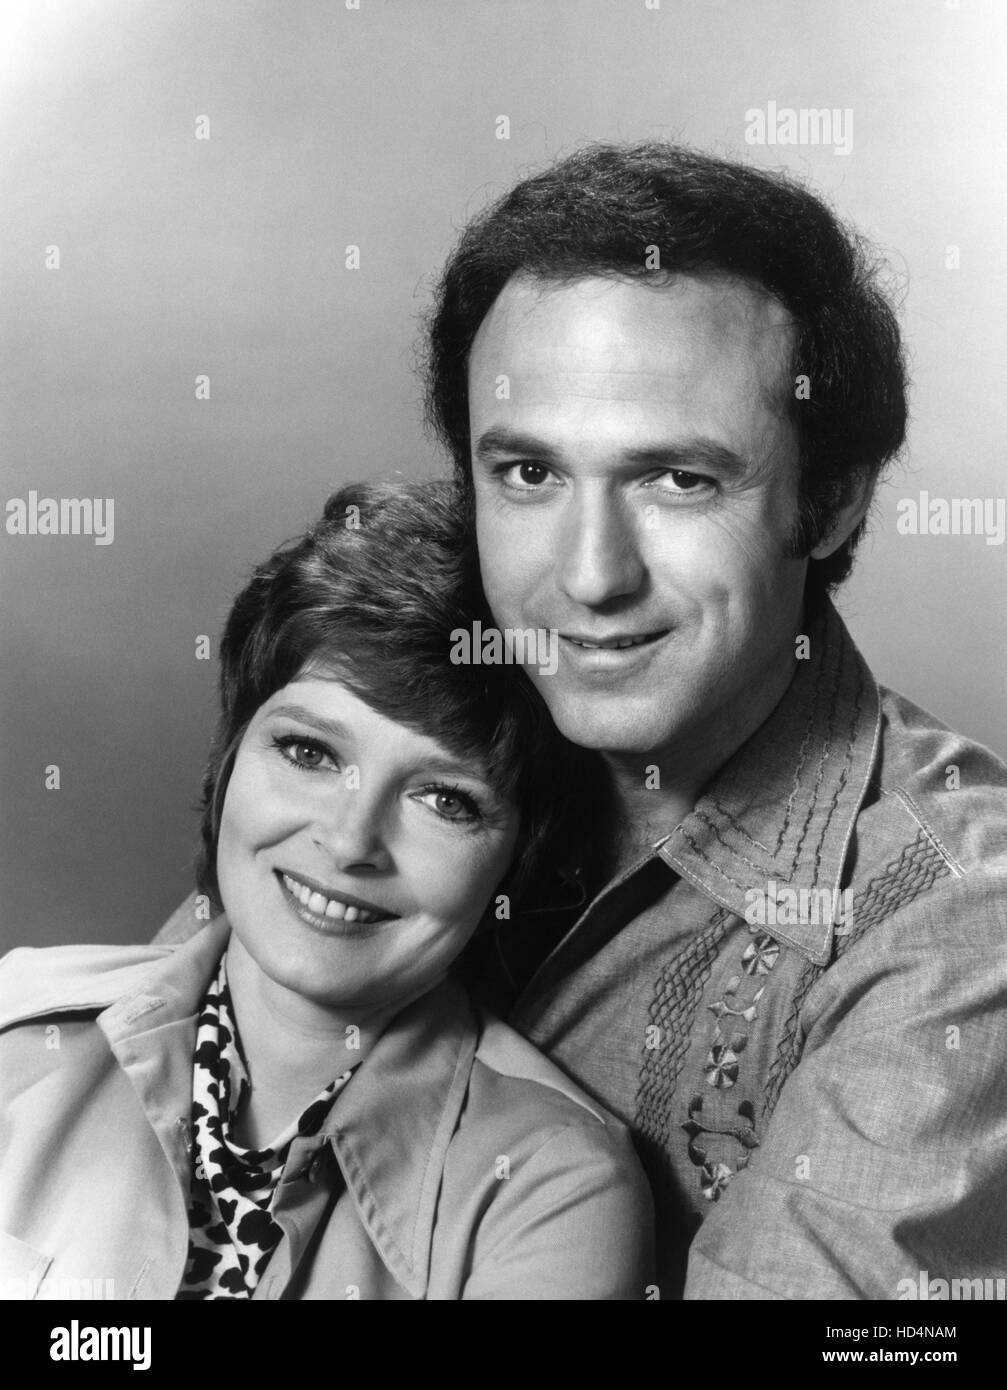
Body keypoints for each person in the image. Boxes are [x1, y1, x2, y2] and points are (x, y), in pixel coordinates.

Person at [423, 142, 1007, 1300]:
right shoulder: (419, 723)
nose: (587, 578)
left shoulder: (957, 923)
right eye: (528, 475)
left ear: (829, 500)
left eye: (677, 481)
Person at [0, 480, 653, 1302]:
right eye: (309, 753)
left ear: (519, 860)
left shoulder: (552, 1191)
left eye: (445, 800)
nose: (348, 842)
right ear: (232, 755)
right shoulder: (14, 1025)